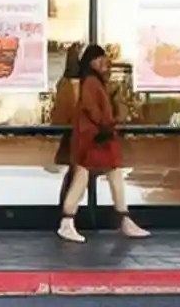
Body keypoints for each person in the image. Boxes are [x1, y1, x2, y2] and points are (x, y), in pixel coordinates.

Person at [57, 44, 150, 243]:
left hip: (95, 138)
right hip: (94, 138)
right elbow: (92, 109)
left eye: (103, 59)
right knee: (85, 178)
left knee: (104, 175)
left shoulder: (94, 81)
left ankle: (72, 221)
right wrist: (107, 124)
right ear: (90, 62)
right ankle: (68, 221)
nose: (103, 63)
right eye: (98, 59)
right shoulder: (91, 82)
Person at [50, 43, 84, 206]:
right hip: (78, 134)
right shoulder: (75, 84)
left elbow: (60, 112)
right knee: (78, 174)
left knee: (76, 174)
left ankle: (67, 210)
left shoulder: (65, 83)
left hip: (74, 134)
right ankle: (68, 212)